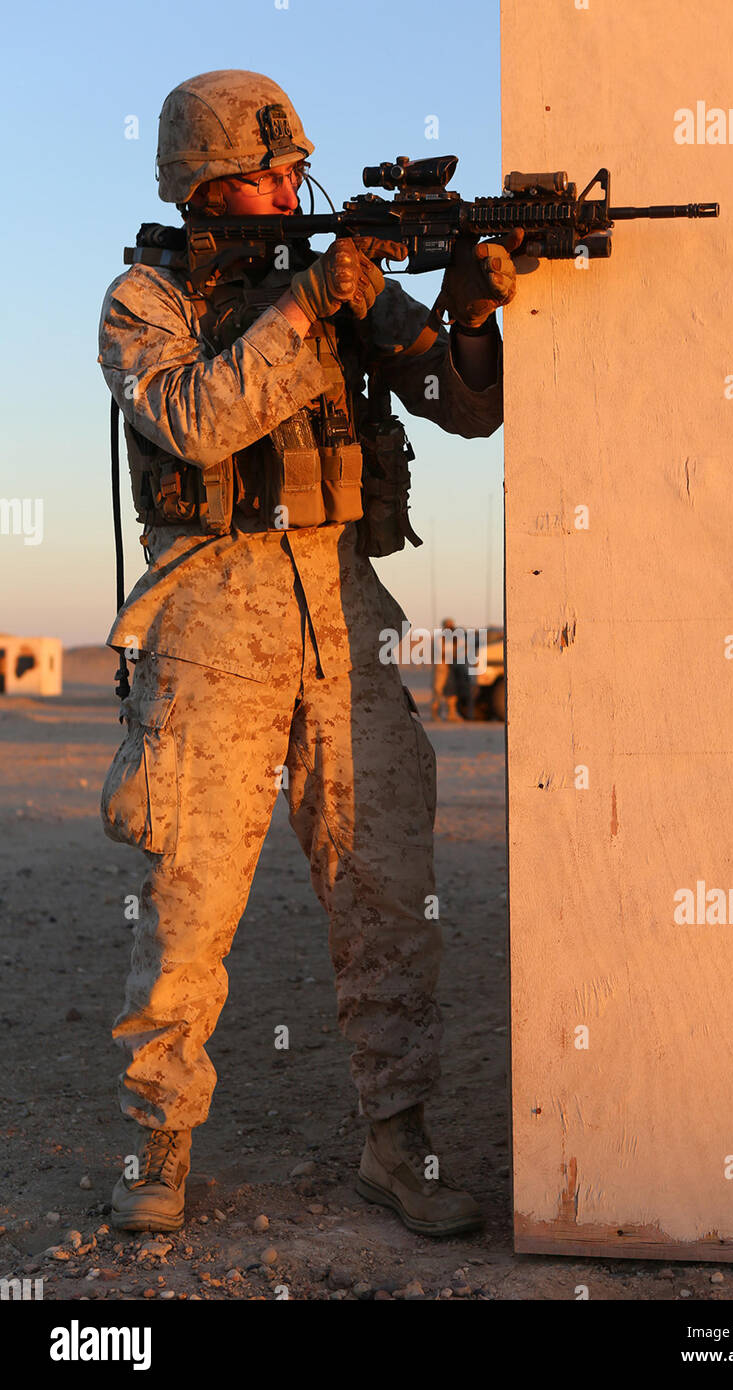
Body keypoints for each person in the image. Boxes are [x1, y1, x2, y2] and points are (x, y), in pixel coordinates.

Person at [97, 70, 523, 1237]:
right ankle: (159, 1144)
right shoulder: (145, 299)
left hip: (341, 600)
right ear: (204, 184)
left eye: (295, 168)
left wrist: (468, 314)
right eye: (274, 169)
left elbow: (458, 404)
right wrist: (312, 307)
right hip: (208, 614)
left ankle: (398, 1140)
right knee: (189, 900)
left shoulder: (337, 284)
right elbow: (194, 419)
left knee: (385, 880)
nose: (297, 185)